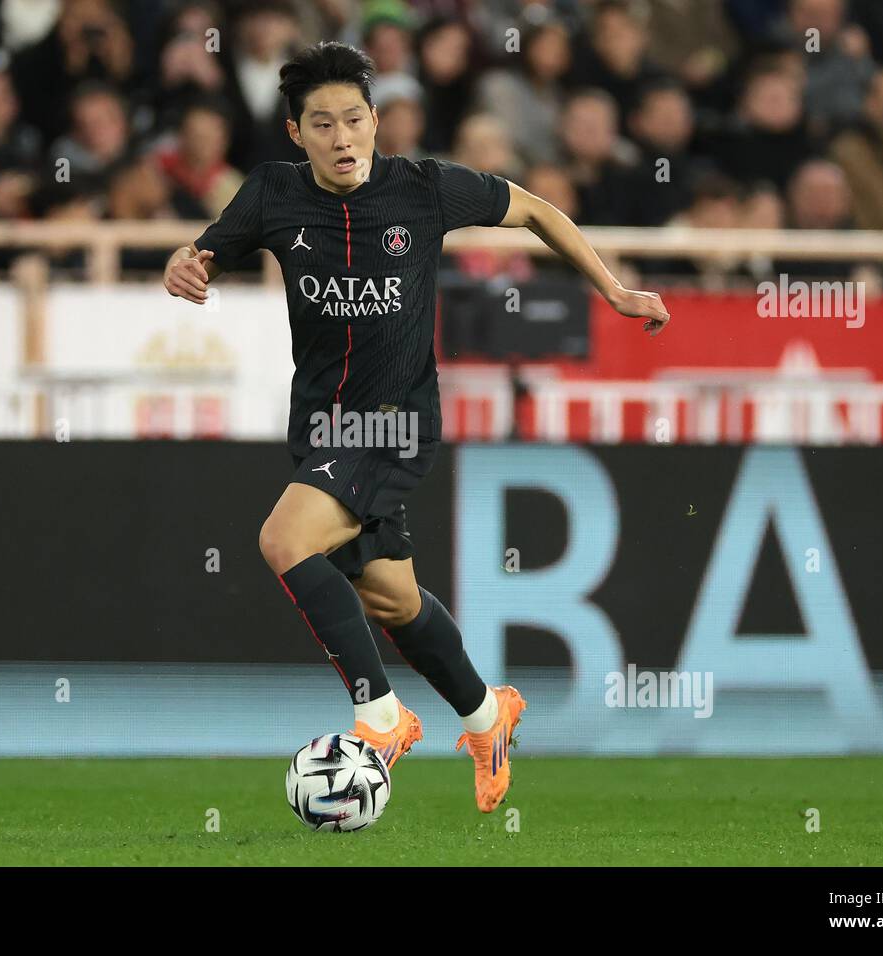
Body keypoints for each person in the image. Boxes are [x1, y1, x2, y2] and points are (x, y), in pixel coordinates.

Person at [162, 41, 669, 813]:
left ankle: (381, 717)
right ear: (296, 134)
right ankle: (486, 714)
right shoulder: (271, 193)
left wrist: (613, 289)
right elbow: (204, 254)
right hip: (321, 427)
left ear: (376, 122)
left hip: (394, 423)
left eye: (355, 120)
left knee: (284, 541)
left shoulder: (425, 189)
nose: (342, 138)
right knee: (392, 601)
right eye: (322, 123)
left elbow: (534, 209)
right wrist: (185, 263)